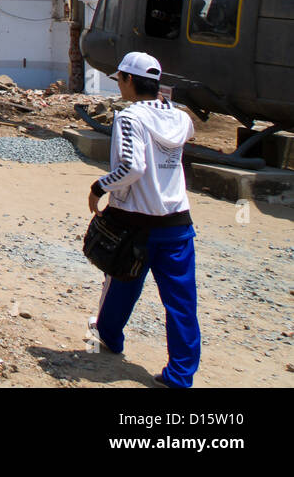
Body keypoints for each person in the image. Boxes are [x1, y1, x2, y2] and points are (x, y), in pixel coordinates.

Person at [89, 51, 199, 388]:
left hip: (135, 219)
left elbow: (132, 168)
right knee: (181, 301)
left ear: (129, 80)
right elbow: (185, 140)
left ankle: (109, 335)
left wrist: (99, 186)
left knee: (122, 278)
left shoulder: (130, 118)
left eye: (120, 79)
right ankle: (180, 375)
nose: (119, 86)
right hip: (177, 220)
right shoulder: (180, 118)